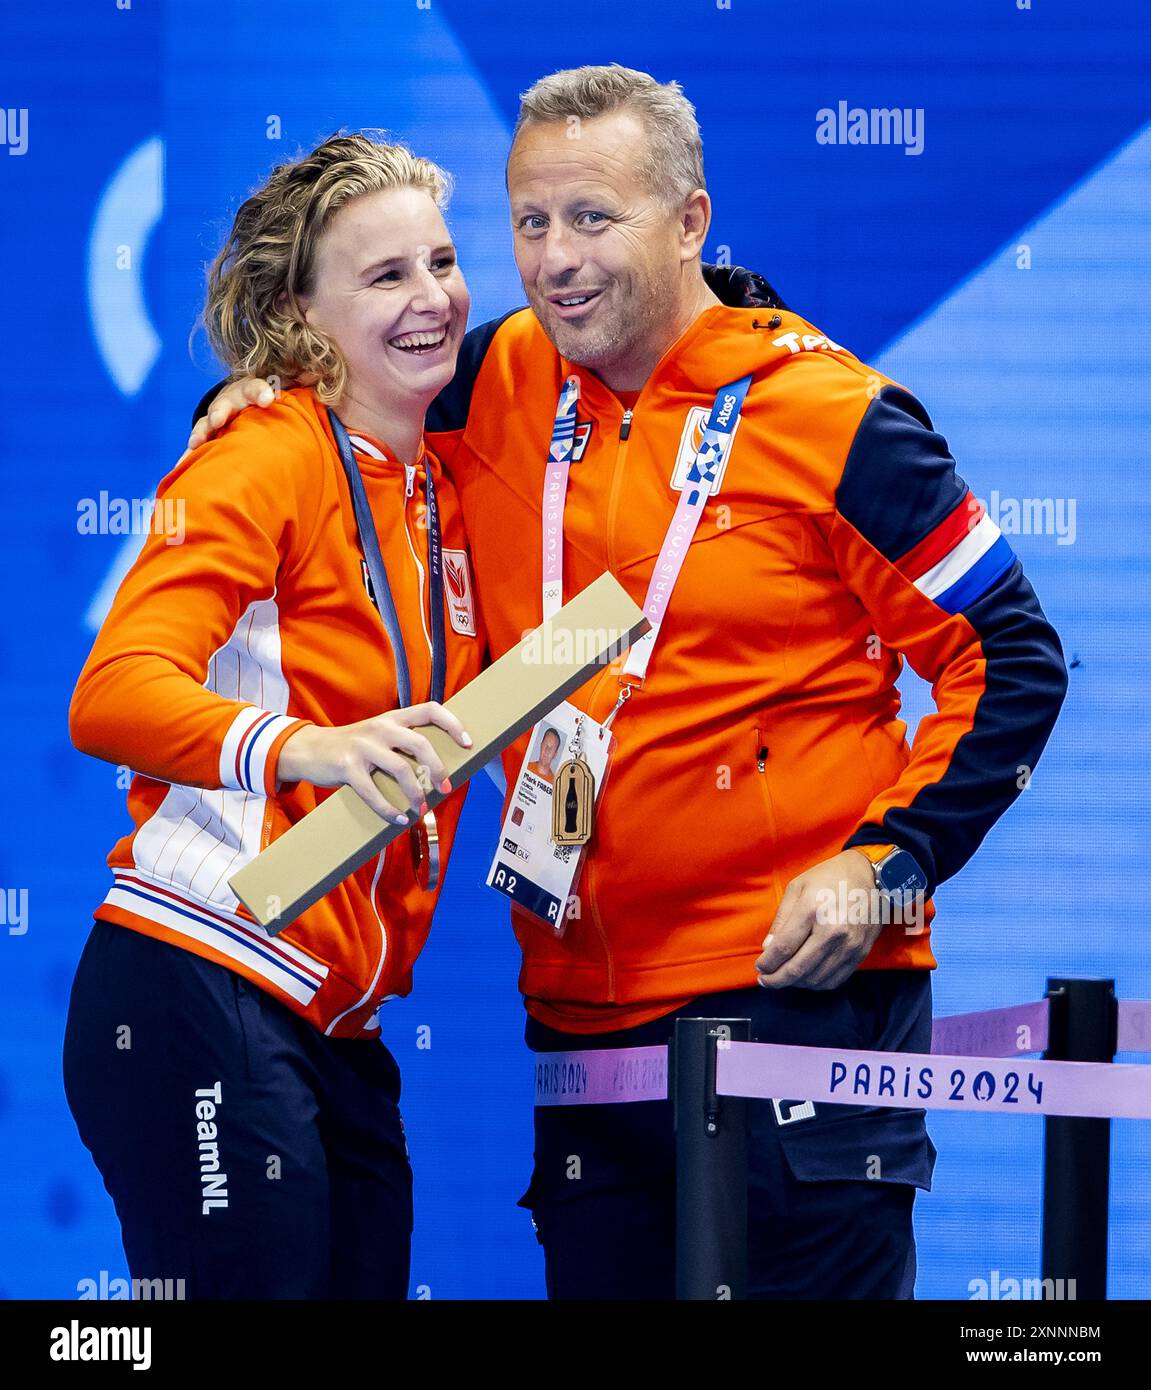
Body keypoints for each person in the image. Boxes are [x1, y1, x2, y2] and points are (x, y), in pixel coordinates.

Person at [193, 66, 1068, 1300]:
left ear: (691, 222)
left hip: (794, 1010)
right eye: (530, 222)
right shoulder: (492, 379)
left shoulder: (835, 416)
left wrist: (889, 864)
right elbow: (336, 399)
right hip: (580, 1024)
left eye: (593, 218)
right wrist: (249, 397)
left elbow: (1012, 656)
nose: (554, 259)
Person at [65, 133, 485, 1300]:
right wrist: (307, 746)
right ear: (298, 310)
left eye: (442, 262)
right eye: (384, 274)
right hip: (198, 973)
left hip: (335, 1020)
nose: (432, 298)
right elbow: (111, 692)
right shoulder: (264, 451)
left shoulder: (441, 482)